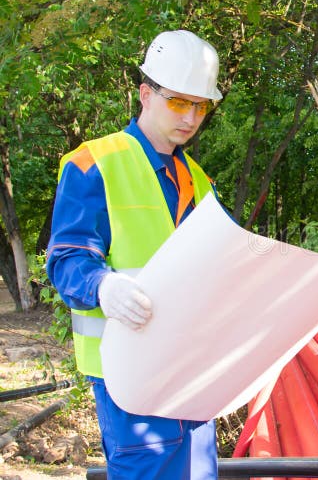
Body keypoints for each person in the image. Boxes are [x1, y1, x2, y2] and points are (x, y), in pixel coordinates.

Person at [46, 29, 223, 480]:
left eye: (200, 105)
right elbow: (66, 259)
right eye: (179, 101)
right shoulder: (94, 163)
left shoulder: (200, 182)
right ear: (145, 93)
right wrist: (103, 285)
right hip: (132, 373)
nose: (191, 116)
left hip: (195, 372)